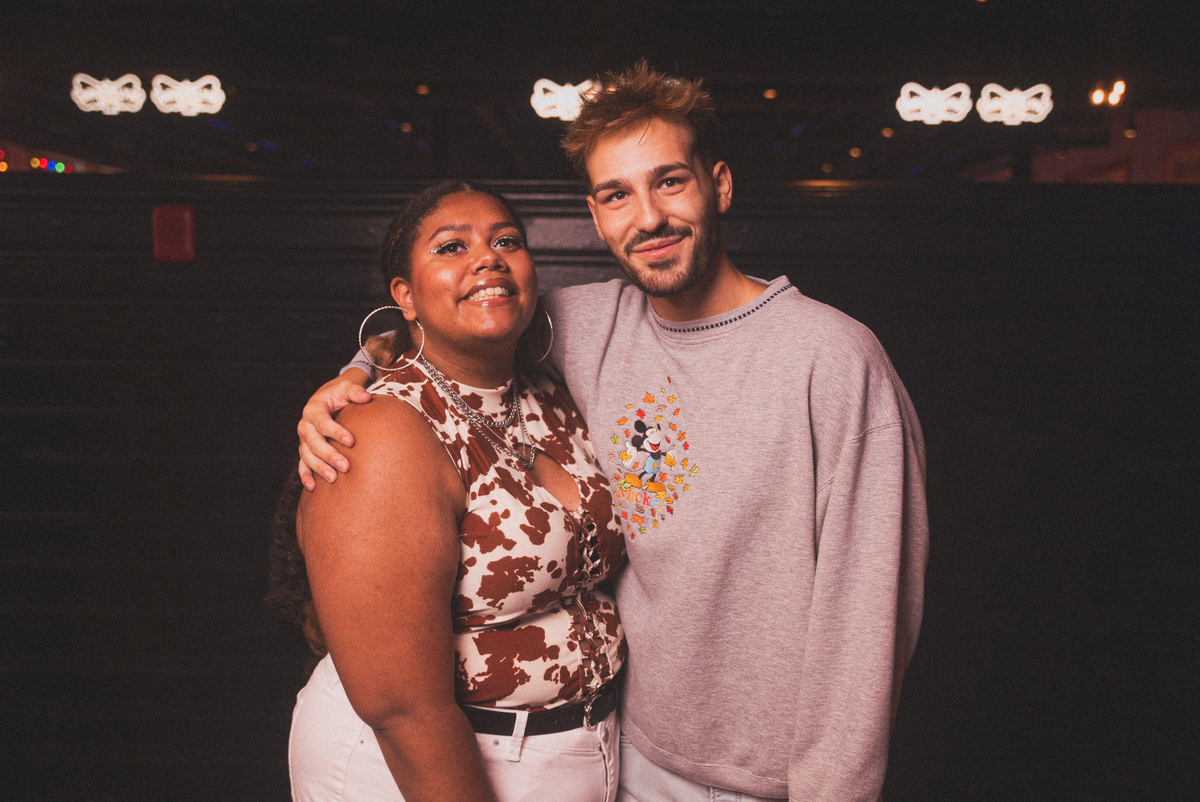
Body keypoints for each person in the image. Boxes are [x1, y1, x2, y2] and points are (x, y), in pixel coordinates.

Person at [298, 64, 929, 802]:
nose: (648, 218)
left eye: (670, 182)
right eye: (617, 195)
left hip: (764, 781)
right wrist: (356, 373)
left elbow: (868, 622)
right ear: (597, 218)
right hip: (627, 756)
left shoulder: (835, 360)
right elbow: (461, 325)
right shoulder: (589, 325)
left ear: (718, 185)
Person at [280, 180, 627, 802]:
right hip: (423, 770)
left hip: (580, 751)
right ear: (404, 297)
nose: (488, 258)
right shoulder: (380, 430)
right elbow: (401, 709)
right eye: (451, 247)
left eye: (506, 241)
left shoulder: (554, 393)